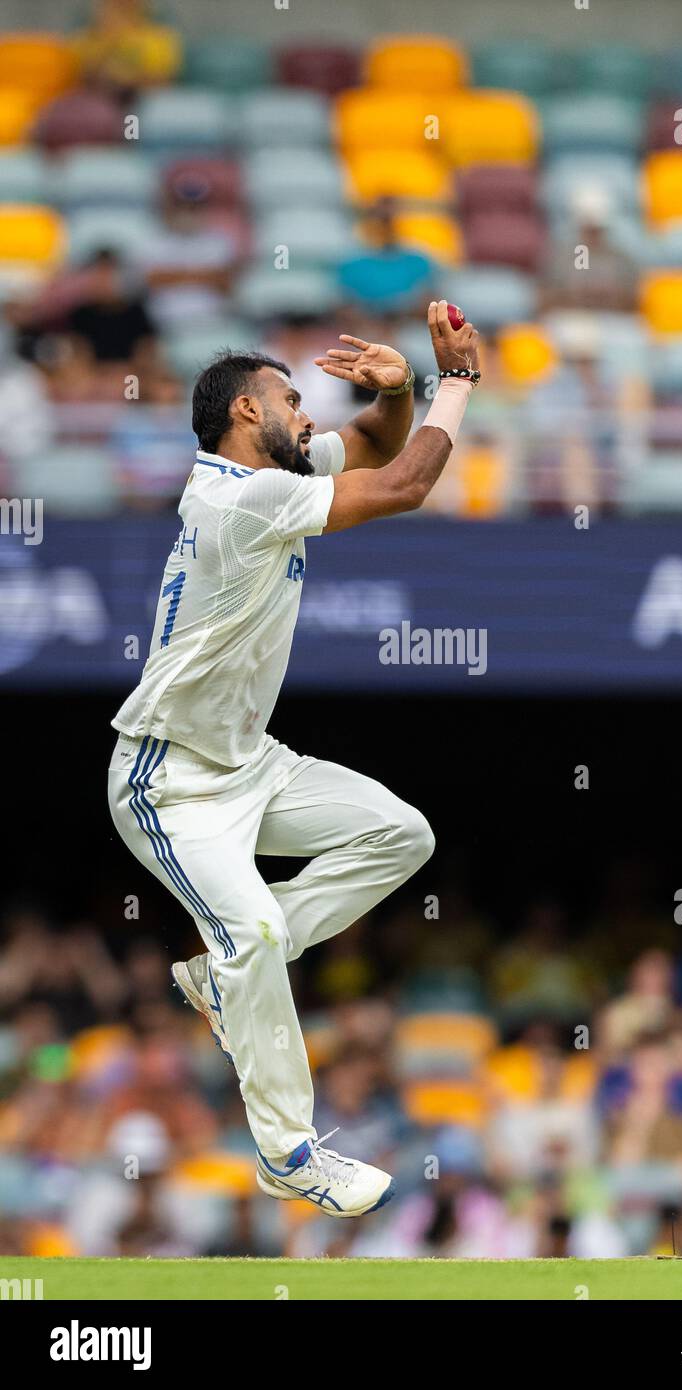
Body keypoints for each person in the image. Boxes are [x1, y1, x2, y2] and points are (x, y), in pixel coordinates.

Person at [107, 303, 481, 1217]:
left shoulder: (271, 474)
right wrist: (457, 381)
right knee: (259, 939)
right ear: (246, 411)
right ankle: (288, 1152)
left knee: (401, 834)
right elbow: (404, 485)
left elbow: (373, 442)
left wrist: (397, 391)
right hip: (169, 781)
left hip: (250, 765)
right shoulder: (241, 500)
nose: (307, 414)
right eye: (291, 400)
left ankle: (219, 978)